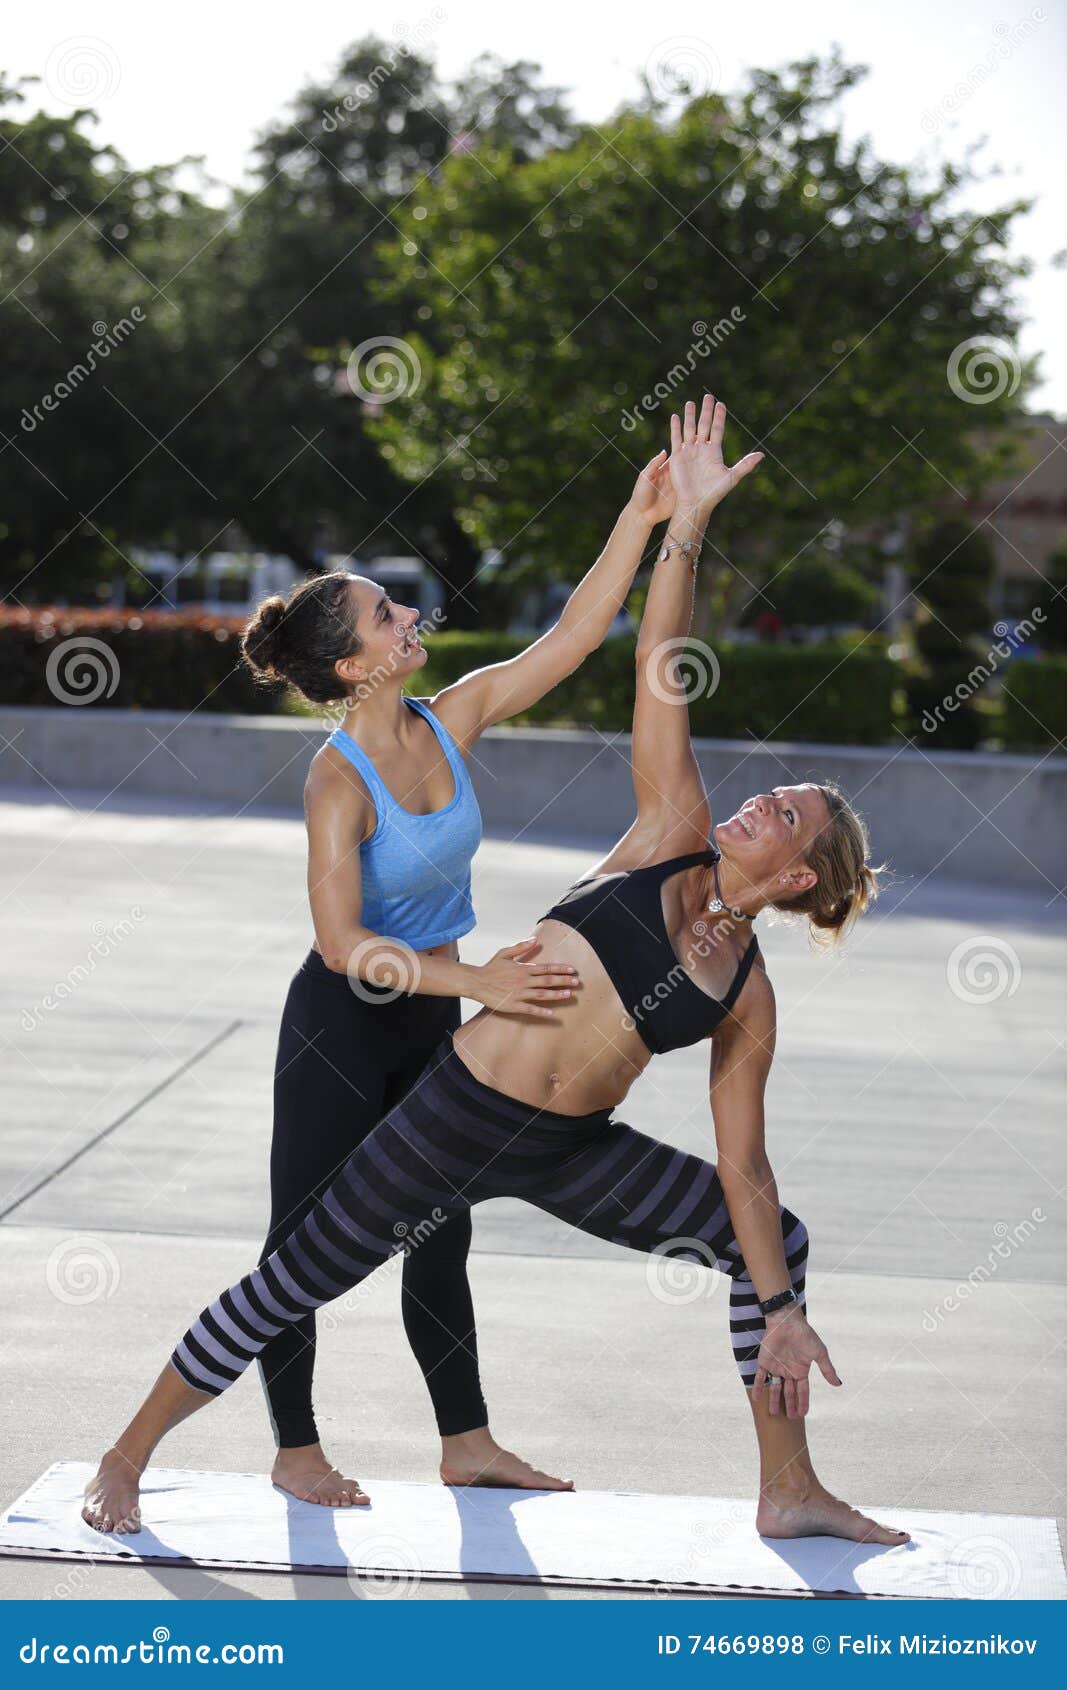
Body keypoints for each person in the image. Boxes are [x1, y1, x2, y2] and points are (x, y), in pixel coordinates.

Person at [83, 397, 907, 1547]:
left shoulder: (744, 990)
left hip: (563, 1143)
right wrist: (682, 536)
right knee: (294, 1268)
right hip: (423, 1065)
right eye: (387, 611)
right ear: (347, 660)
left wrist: (775, 1306)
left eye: (790, 812)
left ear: (799, 876)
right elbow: (655, 668)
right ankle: (142, 1452)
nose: (762, 797)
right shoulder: (663, 826)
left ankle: (779, 1480)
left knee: (769, 1247)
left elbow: (744, 1166)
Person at [215, 446, 672, 1509]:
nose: (407, 616)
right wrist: (476, 982)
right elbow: (340, 945)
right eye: (384, 615)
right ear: (349, 667)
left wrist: (638, 513)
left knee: (440, 1228)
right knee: (301, 1240)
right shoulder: (338, 782)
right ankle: (294, 1449)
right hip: (343, 1021)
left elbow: (570, 636)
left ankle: (464, 1442)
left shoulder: (449, 717)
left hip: (430, 1022)